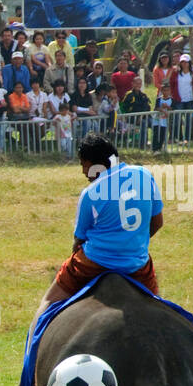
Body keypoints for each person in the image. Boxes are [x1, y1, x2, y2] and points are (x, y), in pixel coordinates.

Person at [28, 132, 163, 337]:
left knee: (46, 304)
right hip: (137, 265)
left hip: (92, 264)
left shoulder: (90, 193)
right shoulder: (144, 175)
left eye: (83, 164)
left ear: (94, 164)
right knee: (161, 310)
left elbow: (79, 241)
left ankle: (31, 360)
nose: (83, 171)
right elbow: (157, 222)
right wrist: (131, 243)